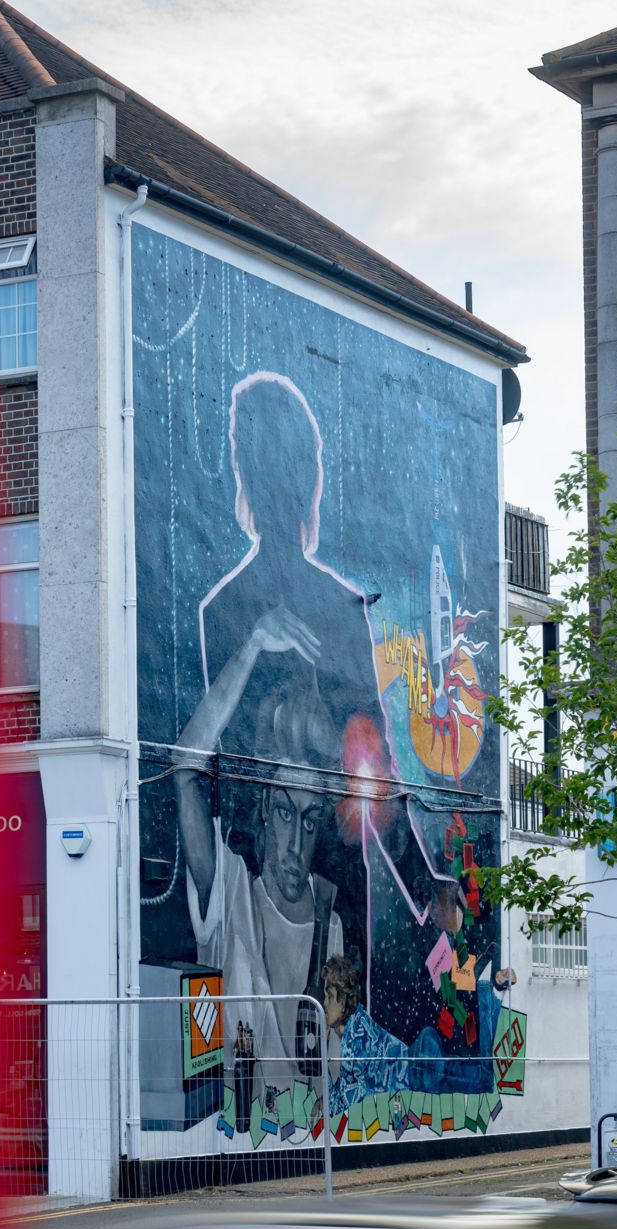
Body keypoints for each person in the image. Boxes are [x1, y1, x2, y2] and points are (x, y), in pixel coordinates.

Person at [198, 372, 462, 965]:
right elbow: (372, 773)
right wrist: (424, 883)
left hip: (256, 885)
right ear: (309, 477)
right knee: (321, 1044)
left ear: (245, 474)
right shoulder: (338, 607)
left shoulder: (222, 611)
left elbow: (222, 773)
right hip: (329, 895)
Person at [176, 604, 343, 1100]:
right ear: (266, 810)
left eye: (310, 820)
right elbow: (185, 769)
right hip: (236, 1137)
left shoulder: (330, 920)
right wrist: (249, 647)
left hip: (313, 1147)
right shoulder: (227, 893)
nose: (296, 845)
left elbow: (337, 1056)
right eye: (287, 813)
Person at [322, 954, 516, 1114]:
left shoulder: (353, 1041)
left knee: (483, 1080)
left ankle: (485, 989)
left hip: (421, 1072)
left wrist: (322, 1047)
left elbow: (340, 1106)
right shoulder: (359, 1021)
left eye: (329, 996)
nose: (323, 1003)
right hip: (422, 1056)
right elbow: (350, 1086)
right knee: (481, 1074)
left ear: (344, 998)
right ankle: (492, 990)